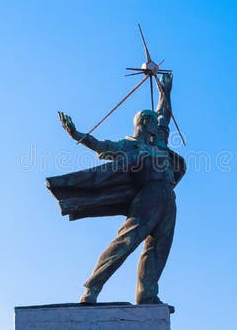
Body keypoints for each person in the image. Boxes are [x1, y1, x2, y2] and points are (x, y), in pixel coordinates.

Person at [52, 73, 185, 305]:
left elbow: (164, 115)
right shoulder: (128, 146)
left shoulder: (159, 144)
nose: (158, 125)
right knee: (126, 242)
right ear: (145, 124)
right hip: (148, 197)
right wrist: (77, 135)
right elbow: (101, 146)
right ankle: (92, 287)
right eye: (153, 123)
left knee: (158, 250)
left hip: (168, 199)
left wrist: (165, 91)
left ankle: (147, 294)